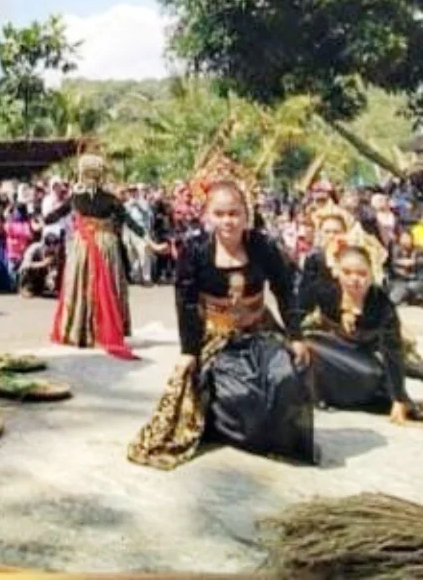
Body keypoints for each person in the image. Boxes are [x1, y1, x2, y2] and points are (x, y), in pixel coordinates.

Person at [128, 180, 316, 470]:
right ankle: (221, 425)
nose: (228, 221)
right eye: (220, 213)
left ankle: (281, 442)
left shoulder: (263, 246)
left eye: (234, 213)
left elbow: (283, 289)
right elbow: (186, 303)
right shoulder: (194, 251)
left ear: (246, 214)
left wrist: (295, 335)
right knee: (242, 395)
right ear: (207, 215)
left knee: (284, 378)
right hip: (216, 339)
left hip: (258, 332)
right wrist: (189, 351)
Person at [43, 154, 164, 360]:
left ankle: (81, 332)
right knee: (107, 287)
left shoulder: (76, 198)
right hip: (106, 246)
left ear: (82, 173)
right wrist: (151, 243)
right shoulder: (111, 199)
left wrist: (40, 221)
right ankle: (105, 330)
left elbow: (51, 217)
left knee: (82, 287)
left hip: (84, 248)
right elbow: (131, 223)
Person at [304, 234, 417, 423]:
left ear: (372, 274)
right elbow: (295, 315)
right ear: (337, 272)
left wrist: (398, 398)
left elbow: (392, 351)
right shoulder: (325, 292)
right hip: (335, 359)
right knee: (306, 345)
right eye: (347, 272)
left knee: (373, 374)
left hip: (368, 366)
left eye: (362, 273)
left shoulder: (381, 303)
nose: (354, 279)